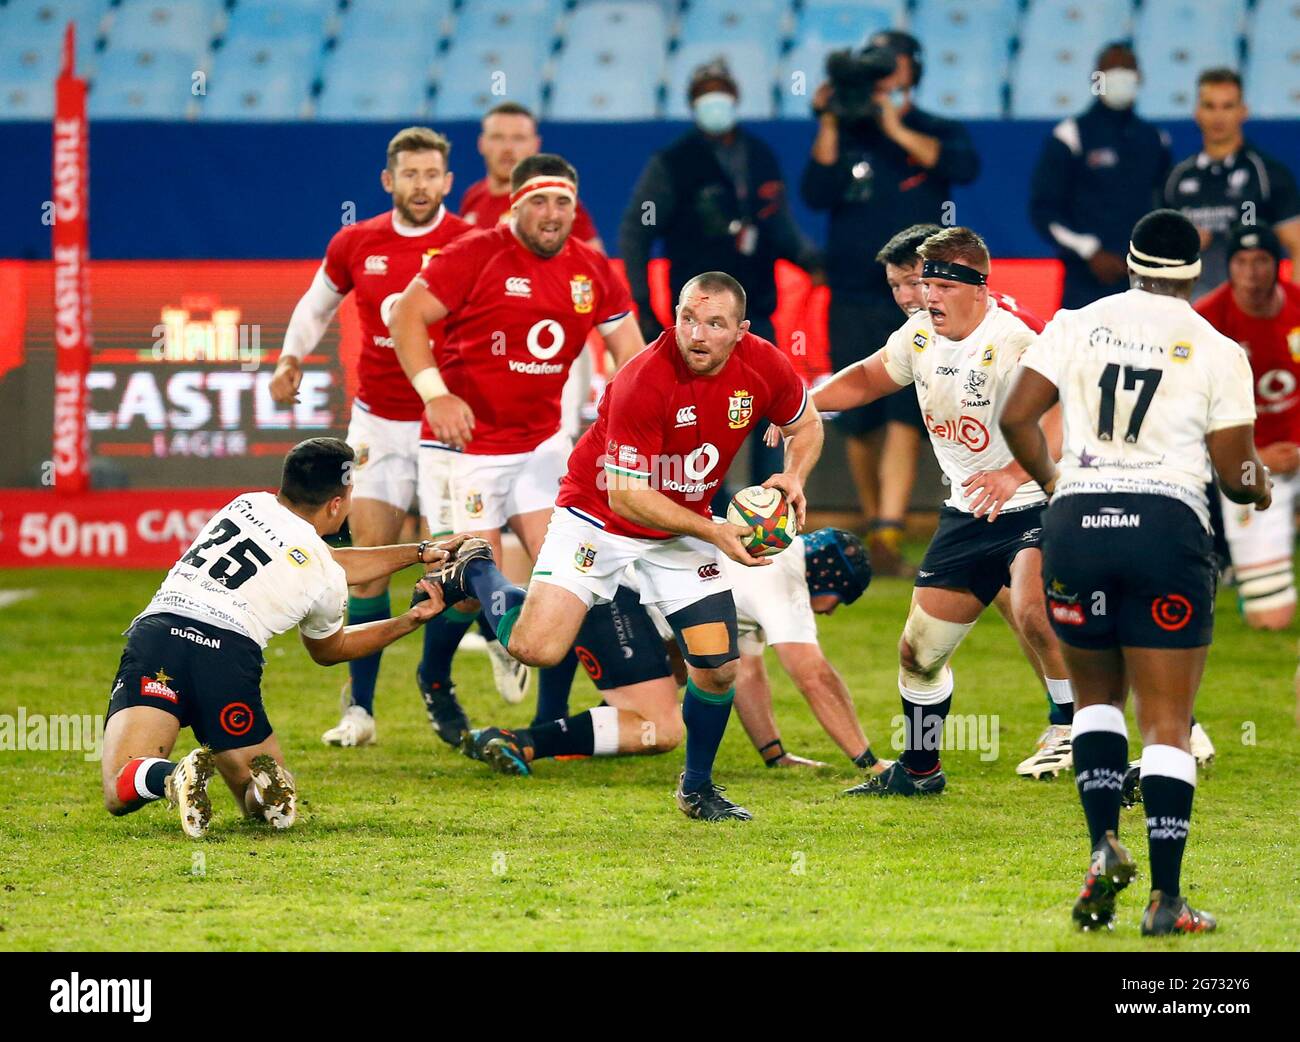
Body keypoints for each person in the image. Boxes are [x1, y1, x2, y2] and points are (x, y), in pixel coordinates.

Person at [422, 272, 823, 821]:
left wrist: (794, 475)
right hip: (598, 517)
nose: (697, 334)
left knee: (719, 667)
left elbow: (807, 424)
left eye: (714, 323)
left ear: (741, 331)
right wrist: (715, 533)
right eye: (687, 318)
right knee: (535, 649)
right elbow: (628, 495)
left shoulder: (764, 363)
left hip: (680, 528)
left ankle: (697, 789)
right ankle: (477, 570)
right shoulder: (645, 379)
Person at [1000, 208, 1269, 936]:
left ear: (1128, 261)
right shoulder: (1216, 348)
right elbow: (1234, 472)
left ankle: (1100, 848)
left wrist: (1058, 486)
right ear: (1195, 270)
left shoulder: (1075, 323)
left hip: (1078, 524)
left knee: (1094, 703)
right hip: (1166, 530)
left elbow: (1016, 415)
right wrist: (1262, 484)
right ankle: (1166, 900)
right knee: (1167, 722)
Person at [266, 127, 518, 749]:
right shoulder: (357, 241)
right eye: (410, 175)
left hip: (447, 422)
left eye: (432, 174)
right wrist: (289, 358)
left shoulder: (470, 242)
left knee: (460, 555)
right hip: (378, 421)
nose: (421, 185)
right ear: (389, 181)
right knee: (371, 563)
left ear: (448, 181)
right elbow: (316, 304)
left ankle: (452, 668)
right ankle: (362, 711)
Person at [809, 227, 1076, 796]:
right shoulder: (921, 336)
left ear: (978, 289)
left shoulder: (1014, 340)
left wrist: (1013, 473)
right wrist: (801, 403)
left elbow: (1056, 419)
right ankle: (921, 771)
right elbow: (866, 378)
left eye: (937, 286)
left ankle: (1079, 729)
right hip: (969, 511)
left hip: (1038, 499)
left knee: (1033, 611)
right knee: (918, 651)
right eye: (918, 285)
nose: (924, 298)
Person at [390, 153, 645, 747]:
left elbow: (632, 357)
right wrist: (436, 395)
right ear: (515, 203)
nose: (551, 214)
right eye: (538, 200)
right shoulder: (473, 254)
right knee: (466, 581)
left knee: (568, 571)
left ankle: (543, 720)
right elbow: (406, 317)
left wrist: (630, 428)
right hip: (465, 447)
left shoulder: (593, 269)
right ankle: (435, 677)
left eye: (562, 202)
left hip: (539, 448)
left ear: (575, 207)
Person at [100, 438, 457, 838]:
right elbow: (330, 648)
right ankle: (265, 787)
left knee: (121, 784)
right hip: (226, 657)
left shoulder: (245, 504)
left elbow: (320, 559)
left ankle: (172, 775)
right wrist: (408, 620)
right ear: (337, 504)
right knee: (264, 809)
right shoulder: (324, 576)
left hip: (161, 636)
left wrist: (420, 552)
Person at [461, 528, 885, 777]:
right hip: (618, 598)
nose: (832, 613)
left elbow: (747, 674)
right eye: (840, 600)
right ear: (830, 580)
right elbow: (814, 676)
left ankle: (542, 732)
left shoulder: (773, 560)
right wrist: (868, 763)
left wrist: (775, 755)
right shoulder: (784, 578)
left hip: (629, 598)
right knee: (662, 728)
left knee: (694, 670)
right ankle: (477, 572)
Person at [801, 30, 979, 575]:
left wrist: (894, 124)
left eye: (892, 66)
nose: (882, 78)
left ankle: (889, 529)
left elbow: (964, 167)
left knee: (908, 407)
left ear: (912, 70)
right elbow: (814, 190)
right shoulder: (846, 129)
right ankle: (875, 518)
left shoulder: (931, 127)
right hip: (854, 290)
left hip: (920, 295)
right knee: (859, 416)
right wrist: (830, 119)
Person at [619, 56, 821, 488]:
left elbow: (778, 223)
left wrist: (813, 261)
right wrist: (641, 301)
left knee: (771, 412)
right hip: (701, 320)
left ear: (734, 98)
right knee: (701, 418)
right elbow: (637, 229)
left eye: (721, 92)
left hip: (756, 312)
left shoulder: (760, 155)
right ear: (694, 103)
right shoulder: (672, 162)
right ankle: (708, 503)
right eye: (705, 93)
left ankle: (770, 502)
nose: (715, 101)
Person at [1196, 221, 1300, 630]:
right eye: (1242, 261)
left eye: (1262, 261)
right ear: (1229, 265)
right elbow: (1188, 415)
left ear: (1278, 265)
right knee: (1270, 620)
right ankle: (1248, 569)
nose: (1252, 272)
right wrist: (1253, 458)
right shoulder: (1206, 323)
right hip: (1245, 465)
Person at [1029, 42, 1171, 309]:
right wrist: (1089, 251)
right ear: (1096, 79)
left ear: (1139, 77)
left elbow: (1166, 207)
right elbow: (1044, 210)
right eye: (1112, 68)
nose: (1121, 75)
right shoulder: (1070, 135)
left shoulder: (1155, 139)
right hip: (1086, 284)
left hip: (1146, 283)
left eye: (1127, 68)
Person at [1163, 67, 1300, 296]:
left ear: (1243, 111)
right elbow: (1158, 255)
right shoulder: (1176, 179)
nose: (1218, 116)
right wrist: (1181, 243)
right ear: (1197, 112)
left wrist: (1293, 313)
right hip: (1193, 315)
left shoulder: (1268, 173)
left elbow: (1297, 246)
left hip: (1251, 315)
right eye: (1210, 106)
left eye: (1227, 106)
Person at [458, 101, 602, 249]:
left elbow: (595, 262)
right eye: (497, 137)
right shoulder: (473, 195)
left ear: (535, 144)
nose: (508, 148)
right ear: (481, 144)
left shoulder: (554, 200)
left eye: (518, 138)